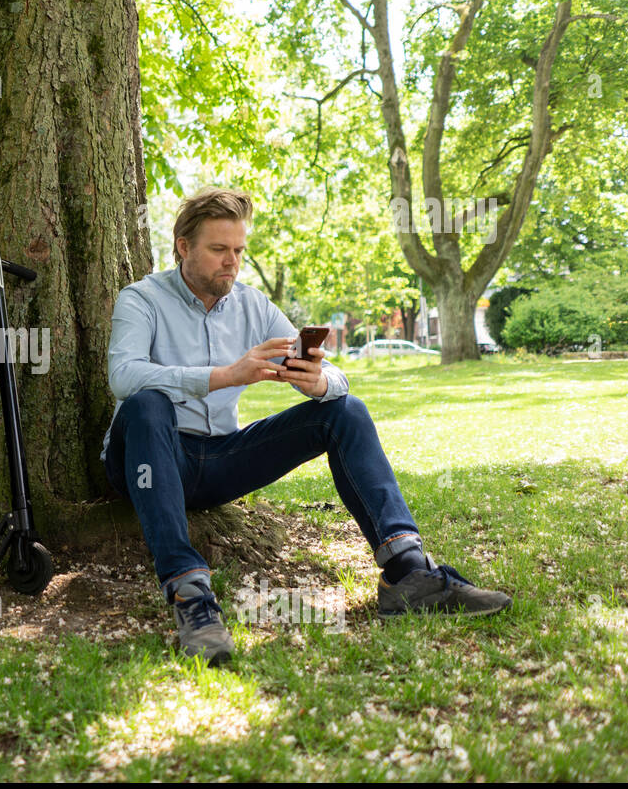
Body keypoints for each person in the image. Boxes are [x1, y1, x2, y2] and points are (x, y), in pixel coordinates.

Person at [102, 187, 511, 666]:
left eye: (238, 251)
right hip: (148, 459)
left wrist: (318, 382)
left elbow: (336, 374)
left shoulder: (252, 306)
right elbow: (123, 375)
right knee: (149, 404)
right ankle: (192, 598)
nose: (231, 262)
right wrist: (224, 376)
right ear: (183, 246)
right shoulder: (143, 298)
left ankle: (407, 572)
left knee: (346, 409)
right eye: (218, 250)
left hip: (219, 459)